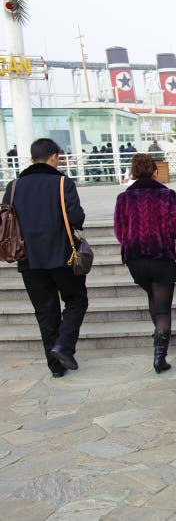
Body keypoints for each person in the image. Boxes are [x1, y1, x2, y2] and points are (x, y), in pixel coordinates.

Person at [2, 138, 88, 377]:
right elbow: (75, 218)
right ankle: (63, 346)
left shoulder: (14, 186)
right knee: (76, 300)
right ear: (53, 157)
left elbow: (7, 219)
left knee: (44, 311)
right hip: (62, 256)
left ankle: (55, 366)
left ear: (32, 159)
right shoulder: (62, 183)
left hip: (28, 259)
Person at [114, 154, 176, 373]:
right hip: (163, 257)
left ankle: (158, 338)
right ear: (155, 171)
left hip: (136, 259)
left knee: (152, 297)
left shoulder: (123, 198)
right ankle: (159, 356)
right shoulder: (167, 195)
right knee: (163, 308)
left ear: (133, 173)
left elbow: (119, 230)